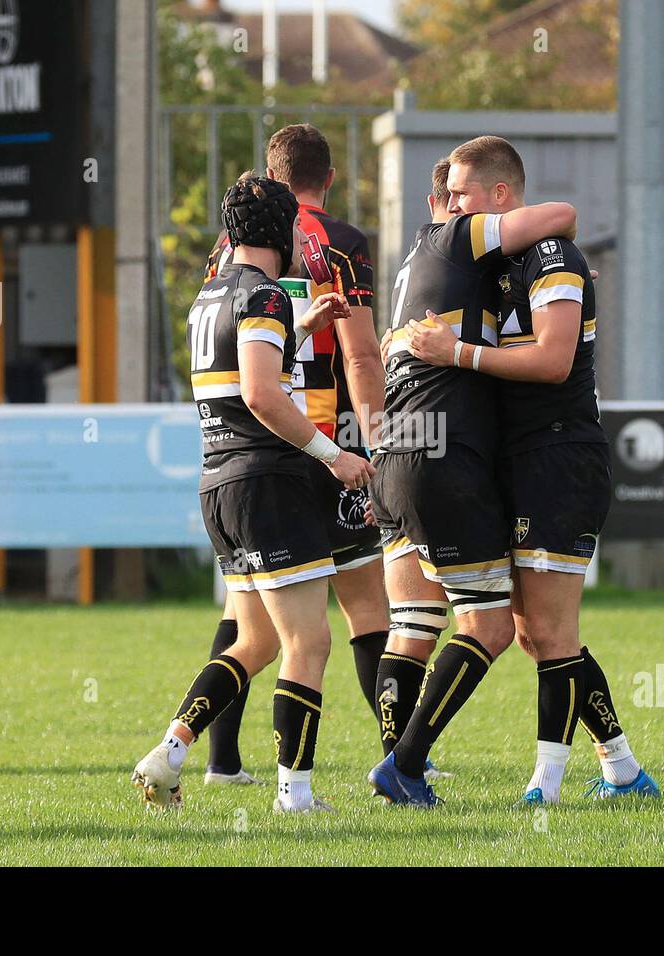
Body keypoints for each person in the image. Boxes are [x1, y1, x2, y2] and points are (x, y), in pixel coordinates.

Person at [406, 136, 659, 803]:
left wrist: (456, 353)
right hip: (518, 461)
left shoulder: (551, 257)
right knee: (533, 631)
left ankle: (544, 787)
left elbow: (552, 361)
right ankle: (624, 769)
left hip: (560, 456)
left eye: (459, 194)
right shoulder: (500, 266)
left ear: (499, 195)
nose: (448, 206)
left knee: (548, 631)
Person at [131, 174, 374, 813]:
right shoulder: (264, 295)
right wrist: (335, 455)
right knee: (310, 642)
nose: (302, 237)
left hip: (219, 483)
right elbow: (262, 395)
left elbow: (240, 376)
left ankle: (172, 750)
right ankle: (294, 794)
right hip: (270, 482)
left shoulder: (209, 294)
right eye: (296, 227)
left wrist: (300, 326)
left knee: (257, 642)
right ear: (278, 231)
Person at [365, 143, 580, 806]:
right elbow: (563, 213)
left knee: (413, 621)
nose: (453, 203)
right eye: (452, 194)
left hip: (398, 451)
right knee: (491, 627)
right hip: (442, 458)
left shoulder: (415, 266)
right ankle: (404, 765)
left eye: (461, 192)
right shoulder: (457, 238)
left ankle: (403, 764)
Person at [198, 124, 390, 784]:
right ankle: (395, 758)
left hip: (237, 455)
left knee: (247, 618)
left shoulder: (225, 254)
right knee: (362, 606)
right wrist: (370, 442)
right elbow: (362, 355)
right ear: (328, 179)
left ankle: (218, 758)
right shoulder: (341, 245)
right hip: (316, 437)